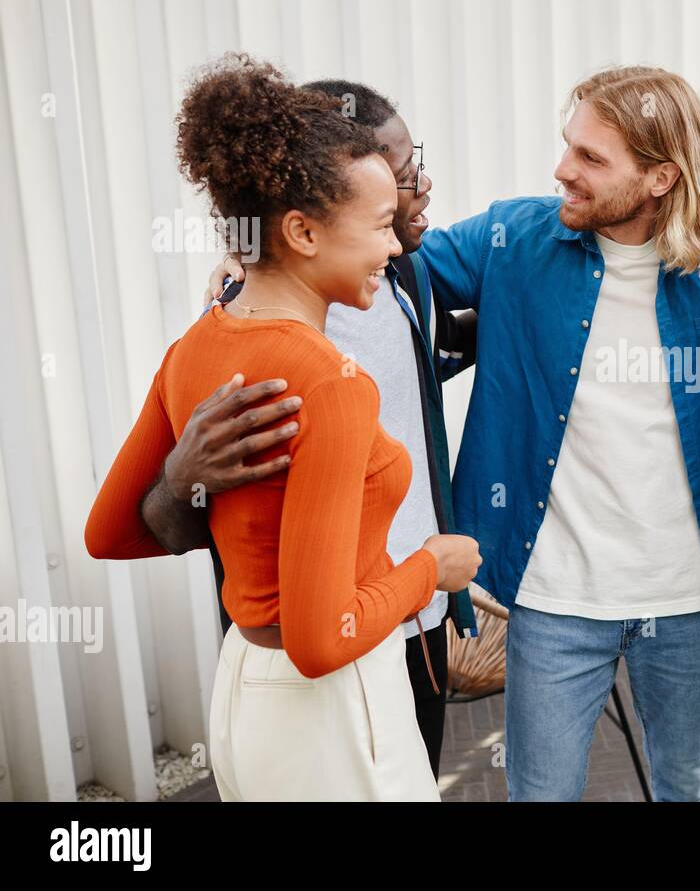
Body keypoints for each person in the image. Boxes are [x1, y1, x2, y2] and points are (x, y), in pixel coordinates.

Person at [206, 66, 700, 802]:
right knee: (540, 791)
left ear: (660, 176)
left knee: (685, 781)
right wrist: (253, 266)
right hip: (553, 597)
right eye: (567, 146)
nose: (562, 169)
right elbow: (376, 265)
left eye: (590, 156)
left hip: (692, 596)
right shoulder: (515, 240)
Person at [84, 53, 480, 800]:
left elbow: (108, 535)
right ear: (301, 232)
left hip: (243, 685)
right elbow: (320, 638)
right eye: (379, 226)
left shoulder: (193, 349)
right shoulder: (331, 381)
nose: (395, 247)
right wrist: (433, 565)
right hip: (333, 703)